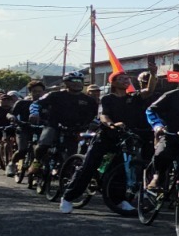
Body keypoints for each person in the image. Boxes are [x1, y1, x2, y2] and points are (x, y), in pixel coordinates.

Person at [60, 72, 142, 213]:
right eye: (121, 78)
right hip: (105, 137)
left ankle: (119, 201)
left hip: (124, 137)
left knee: (120, 170)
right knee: (89, 167)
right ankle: (68, 197)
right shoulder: (107, 99)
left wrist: (153, 74)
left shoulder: (133, 98)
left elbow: (149, 91)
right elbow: (103, 115)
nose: (125, 80)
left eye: (127, 78)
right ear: (113, 82)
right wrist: (111, 124)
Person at [29, 73, 95, 178]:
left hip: (75, 129)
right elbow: (36, 104)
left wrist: (93, 125)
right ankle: (37, 162)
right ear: (66, 83)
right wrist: (34, 113)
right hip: (52, 125)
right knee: (42, 147)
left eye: (79, 81)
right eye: (73, 81)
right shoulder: (54, 95)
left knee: (71, 158)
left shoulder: (89, 100)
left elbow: (94, 116)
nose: (77, 83)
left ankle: (66, 176)